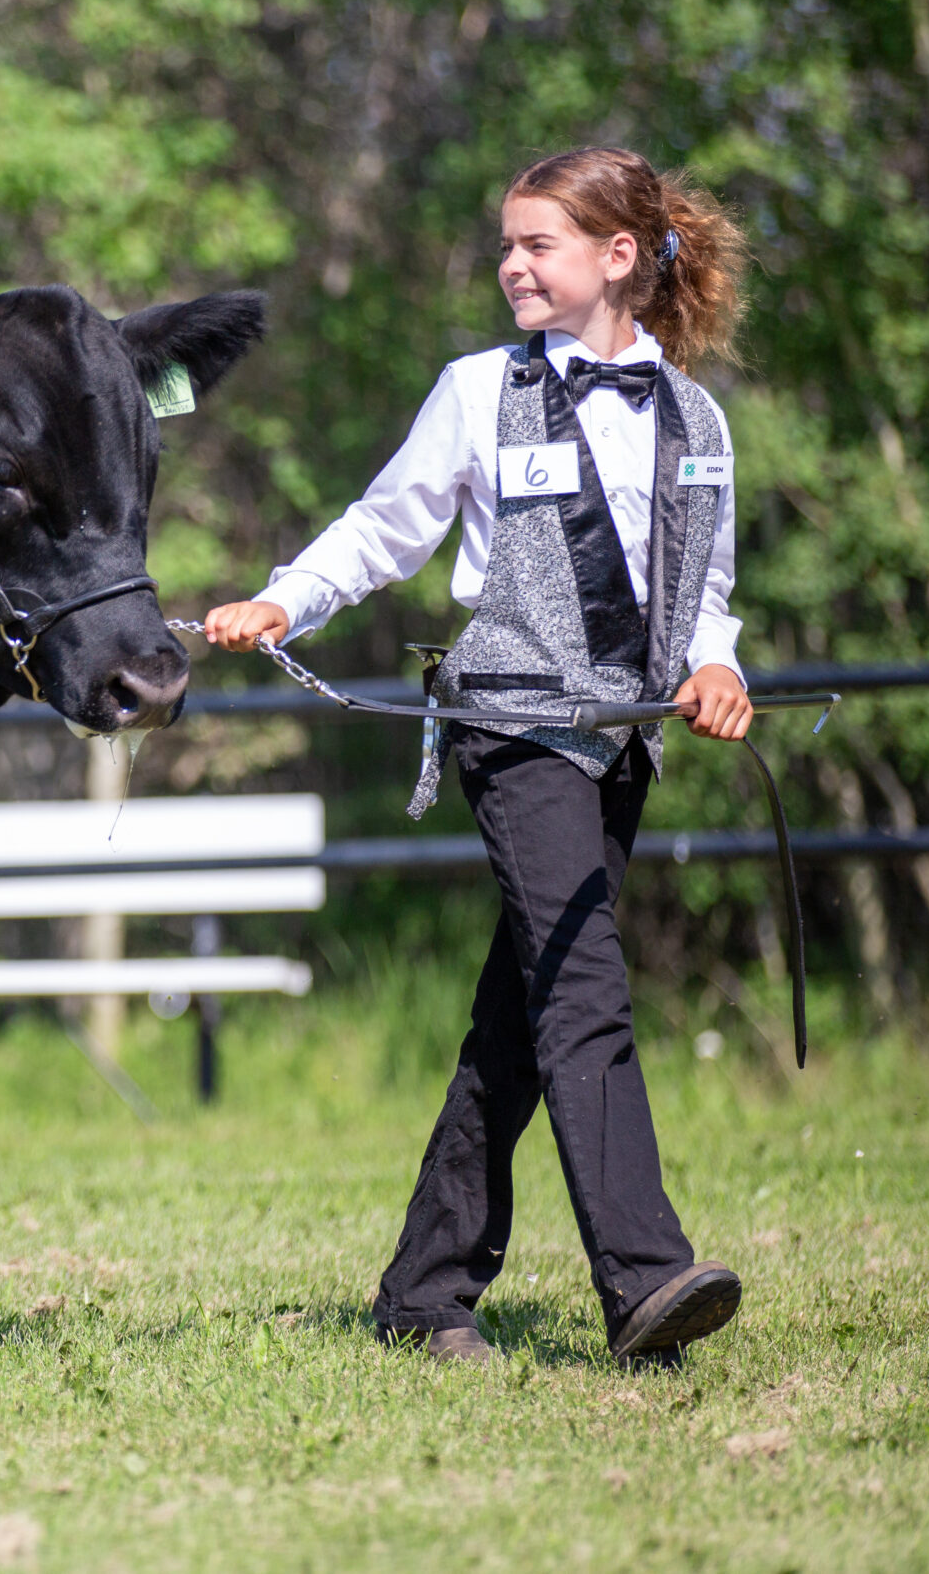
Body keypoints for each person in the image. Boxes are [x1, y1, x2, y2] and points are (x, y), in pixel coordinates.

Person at [202, 146, 753, 1366]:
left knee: (521, 1016)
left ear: (619, 259)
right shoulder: (474, 391)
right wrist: (284, 601)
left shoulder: (697, 420)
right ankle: (646, 1281)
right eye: (504, 245)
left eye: (535, 244)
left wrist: (716, 668)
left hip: (623, 750)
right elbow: (385, 526)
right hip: (511, 731)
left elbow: (704, 587)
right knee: (583, 993)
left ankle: (423, 1290)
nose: (509, 264)